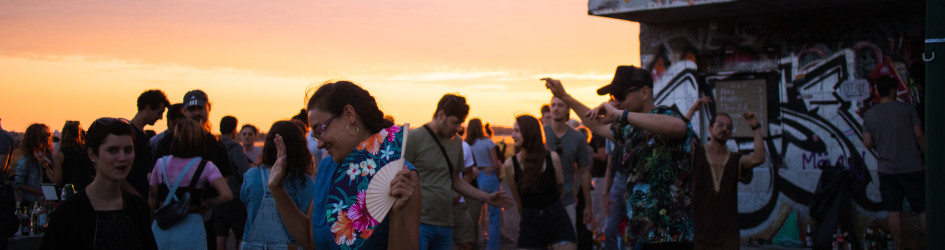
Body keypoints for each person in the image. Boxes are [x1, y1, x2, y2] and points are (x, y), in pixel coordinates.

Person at [543, 65, 696, 249]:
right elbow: (597, 126)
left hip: (671, 236)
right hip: (641, 233)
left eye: (620, 96)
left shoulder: (665, 115)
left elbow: (678, 127)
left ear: (645, 92)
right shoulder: (630, 128)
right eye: (614, 97)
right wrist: (565, 96)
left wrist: (620, 115)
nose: (616, 102)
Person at [270, 80, 421, 249]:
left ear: (349, 114)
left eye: (320, 130)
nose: (319, 144)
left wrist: (396, 215)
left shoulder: (400, 176)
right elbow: (311, 240)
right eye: (315, 136)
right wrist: (277, 190)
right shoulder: (327, 167)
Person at [405, 93, 512, 250]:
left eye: (461, 123)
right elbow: (399, 176)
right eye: (455, 122)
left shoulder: (457, 143)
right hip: (419, 222)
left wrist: (487, 197)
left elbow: (456, 181)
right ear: (441, 115)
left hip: (445, 222)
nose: (459, 128)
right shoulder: (414, 138)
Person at [41, 117, 158, 250]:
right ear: (92, 155)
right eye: (112, 150)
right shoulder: (68, 213)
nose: (122, 158)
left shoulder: (138, 209)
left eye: (128, 150)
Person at [154, 89, 233, 250]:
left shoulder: (216, 145)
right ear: (184, 111)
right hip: (193, 219)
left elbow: (151, 183)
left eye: (200, 108)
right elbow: (225, 190)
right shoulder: (166, 141)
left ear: (208, 109)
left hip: (192, 219)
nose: (197, 113)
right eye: (191, 109)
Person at [862, 76, 927, 250]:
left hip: (887, 170)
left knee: (893, 210)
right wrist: (929, 156)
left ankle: (899, 247)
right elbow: (919, 135)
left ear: (878, 92)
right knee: (922, 209)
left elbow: (867, 143)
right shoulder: (908, 109)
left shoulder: (869, 114)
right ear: (893, 91)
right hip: (912, 167)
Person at [688, 111, 766, 249]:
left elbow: (758, 158)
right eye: (720, 125)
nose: (725, 129)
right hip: (698, 233)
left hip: (727, 235)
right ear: (710, 129)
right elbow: (680, 134)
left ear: (730, 133)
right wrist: (693, 109)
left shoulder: (736, 159)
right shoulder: (697, 152)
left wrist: (756, 127)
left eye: (729, 127)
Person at [502, 115, 575, 250]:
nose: (512, 135)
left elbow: (560, 188)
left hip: (557, 219)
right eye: (513, 131)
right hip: (530, 224)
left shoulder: (552, 158)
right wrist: (528, 220)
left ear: (530, 132)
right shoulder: (510, 165)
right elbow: (519, 202)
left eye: (517, 131)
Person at [240, 121, 315, 249]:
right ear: (300, 147)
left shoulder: (250, 175)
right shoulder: (304, 182)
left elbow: (244, 201)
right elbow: (309, 224)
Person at [544, 96, 594, 241]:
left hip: (568, 202)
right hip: (543, 202)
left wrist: (588, 205)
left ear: (568, 110)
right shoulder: (541, 135)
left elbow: (584, 171)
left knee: (568, 243)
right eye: (553, 105)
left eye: (560, 105)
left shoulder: (578, 138)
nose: (555, 108)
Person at [464, 118, 505, 250]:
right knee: (494, 216)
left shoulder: (466, 144)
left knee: (475, 216)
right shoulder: (488, 142)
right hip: (489, 177)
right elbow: (495, 163)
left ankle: (474, 242)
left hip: (474, 179)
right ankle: (492, 247)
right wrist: (498, 173)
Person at [216, 115, 251, 250]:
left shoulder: (215, 145)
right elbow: (243, 172)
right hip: (235, 197)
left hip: (218, 197)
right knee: (241, 235)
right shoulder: (236, 147)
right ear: (234, 130)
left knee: (220, 235)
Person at [128, 89, 170, 199]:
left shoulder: (143, 135)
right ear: (147, 108)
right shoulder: (129, 135)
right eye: (159, 112)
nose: (160, 118)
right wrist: (137, 196)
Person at [15, 123, 55, 204]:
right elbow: (18, 184)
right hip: (33, 202)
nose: (47, 138)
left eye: (48, 134)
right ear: (35, 139)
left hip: (50, 199)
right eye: (43, 136)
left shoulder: (51, 155)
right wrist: (39, 191)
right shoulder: (27, 158)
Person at [52, 120, 94, 192]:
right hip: (88, 191)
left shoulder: (60, 155)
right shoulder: (88, 151)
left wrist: (45, 168)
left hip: (70, 193)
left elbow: (57, 181)